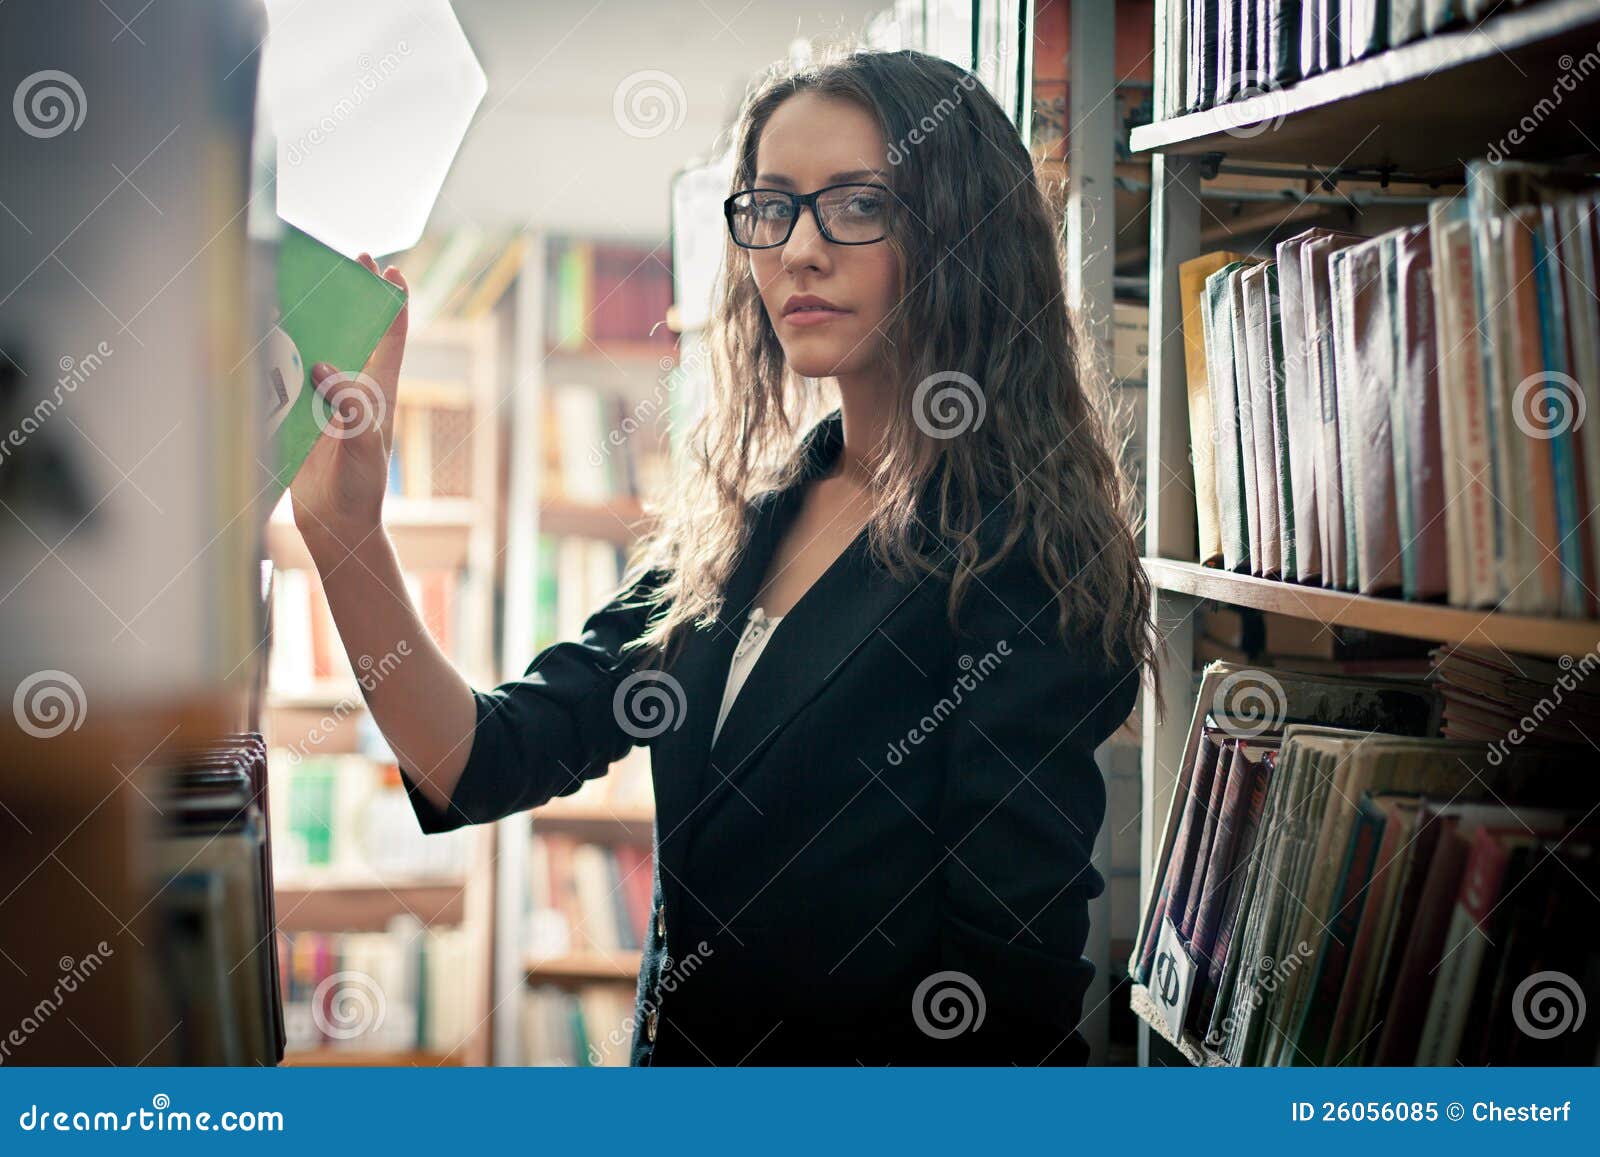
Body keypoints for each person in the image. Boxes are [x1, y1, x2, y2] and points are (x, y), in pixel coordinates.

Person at [289, 47, 1155, 1066]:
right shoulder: (744, 524)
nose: (800, 249)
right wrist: (345, 530)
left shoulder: (1022, 559)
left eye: (857, 205)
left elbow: (1010, 1003)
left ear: (963, 232)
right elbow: (480, 758)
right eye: (773, 207)